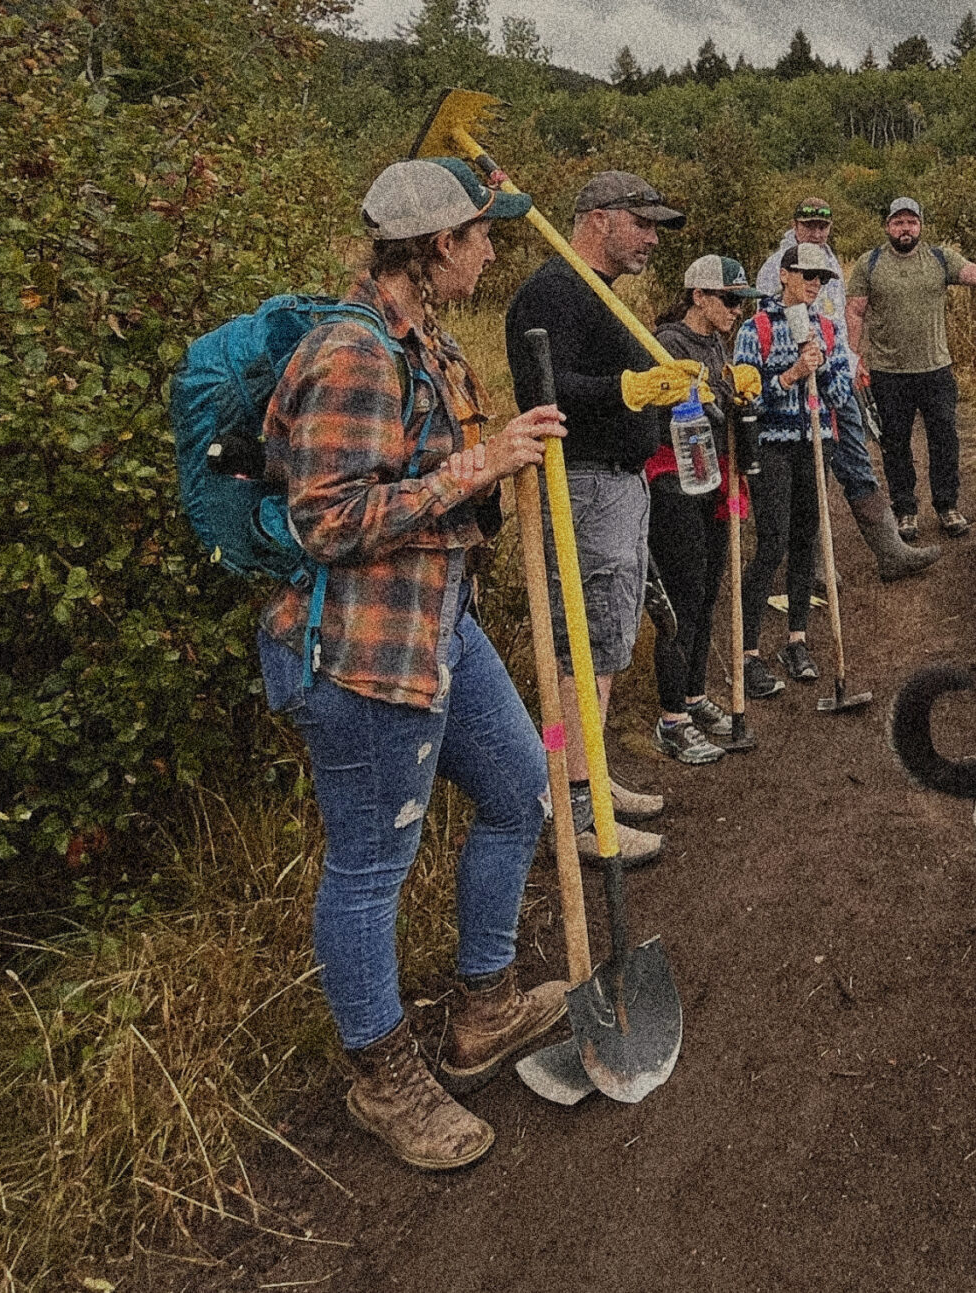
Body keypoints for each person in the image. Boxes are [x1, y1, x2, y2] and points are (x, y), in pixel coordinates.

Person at [257, 158, 569, 1169]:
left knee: (522, 787)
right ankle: (383, 1077)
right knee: (370, 867)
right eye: (483, 237)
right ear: (439, 245)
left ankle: (481, 1009)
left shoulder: (423, 337)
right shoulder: (351, 355)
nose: (490, 253)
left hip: (441, 620)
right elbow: (329, 522)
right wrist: (477, 467)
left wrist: (495, 455)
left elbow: (437, 476)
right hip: (361, 653)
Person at [506, 171, 688, 864]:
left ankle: (593, 779)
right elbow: (540, 388)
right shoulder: (552, 290)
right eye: (642, 223)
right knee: (582, 648)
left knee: (608, 641)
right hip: (580, 486)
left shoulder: (599, 293)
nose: (651, 238)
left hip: (619, 484)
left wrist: (667, 386)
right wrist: (627, 387)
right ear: (600, 218)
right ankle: (577, 809)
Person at [755, 197, 940, 582]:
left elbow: (838, 318)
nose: (817, 233)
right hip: (796, 387)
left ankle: (891, 551)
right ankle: (815, 566)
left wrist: (850, 362)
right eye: (809, 226)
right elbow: (769, 327)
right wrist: (798, 368)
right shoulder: (777, 266)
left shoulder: (829, 259)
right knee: (810, 472)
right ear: (795, 224)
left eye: (823, 227)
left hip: (836, 377)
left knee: (856, 459)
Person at [730, 242, 867, 698]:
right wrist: (789, 375)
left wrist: (823, 366)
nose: (814, 283)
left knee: (808, 538)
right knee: (773, 541)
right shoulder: (756, 329)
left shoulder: (826, 329)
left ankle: (797, 640)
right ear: (784, 274)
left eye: (822, 277)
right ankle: (747, 651)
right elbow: (746, 399)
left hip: (816, 443)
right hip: (772, 447)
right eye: (807, 274)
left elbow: (840, 396)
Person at [846, 196, 976, 540]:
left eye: (911, 222)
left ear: (920, 226)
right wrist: (855, 358)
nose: (905, 228)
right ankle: (905, 511)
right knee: (895, 443)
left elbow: (974, 273)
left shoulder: (939, 259)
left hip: (935, 369)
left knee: (944, 438)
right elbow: (855, 311)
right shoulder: (869, 263)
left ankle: (947, 506)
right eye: (898, 222)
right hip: (888, 371)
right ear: (888, 227)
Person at [645, 255, 765, 764]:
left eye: (741, 301)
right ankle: (671, 718)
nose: (737, 310)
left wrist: (739, 398)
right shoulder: (666, 341)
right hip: (674, 481)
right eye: (730, 299)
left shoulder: (718, 342)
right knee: (681, 599)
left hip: (714, 475)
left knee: (709, 591)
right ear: (699, 295)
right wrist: (715, 396)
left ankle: (694, 698)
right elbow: (665, 405)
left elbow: (723, 403)